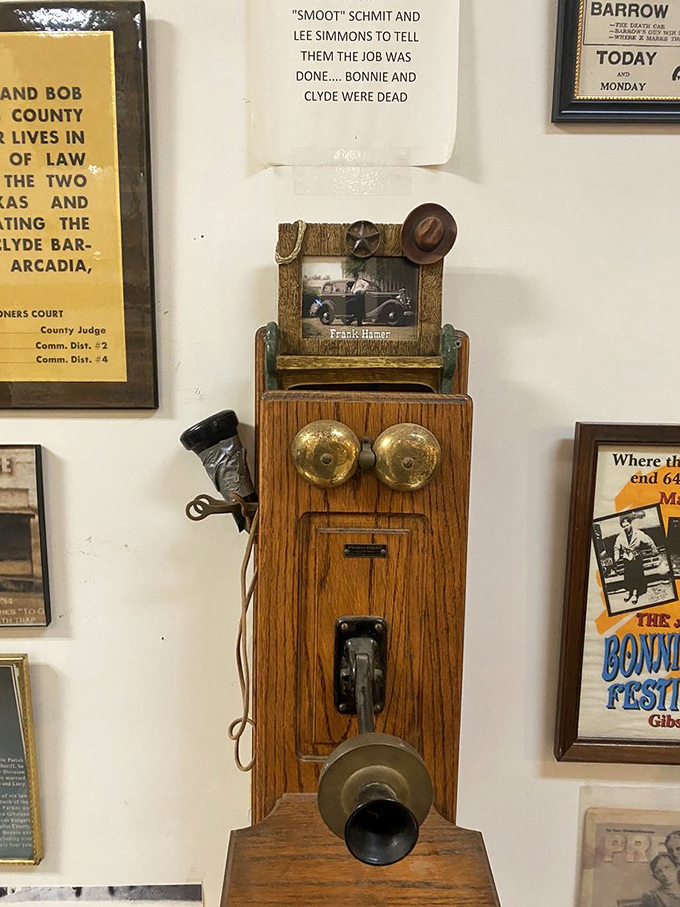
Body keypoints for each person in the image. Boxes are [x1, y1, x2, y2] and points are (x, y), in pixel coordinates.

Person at [613, 514, 658, 606]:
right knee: (628, 575)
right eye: (623, 526)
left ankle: (635, 593)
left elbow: (649, 540)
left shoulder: (638, 533)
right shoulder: (620, 536)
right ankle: (628, 591)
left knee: (637, 575)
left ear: (630, 524)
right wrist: (616, 556)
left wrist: (654, 549)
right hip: (626, 557)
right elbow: (616, 547)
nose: (626, 528)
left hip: (636, 557)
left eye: (627, 525)